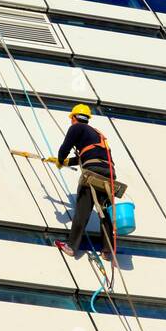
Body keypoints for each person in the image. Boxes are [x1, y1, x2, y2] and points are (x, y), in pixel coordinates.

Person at [53, 104, 127, 260]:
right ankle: (108, 251)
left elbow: (64, 148)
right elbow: (86, 156)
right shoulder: (96, 134)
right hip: (109, 175)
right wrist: (66, 162)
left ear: (74, 117)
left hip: (93, 172)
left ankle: (72, 246)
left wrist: (60, 159)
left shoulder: (76, 128)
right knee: (104, 212)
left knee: (83, 210)